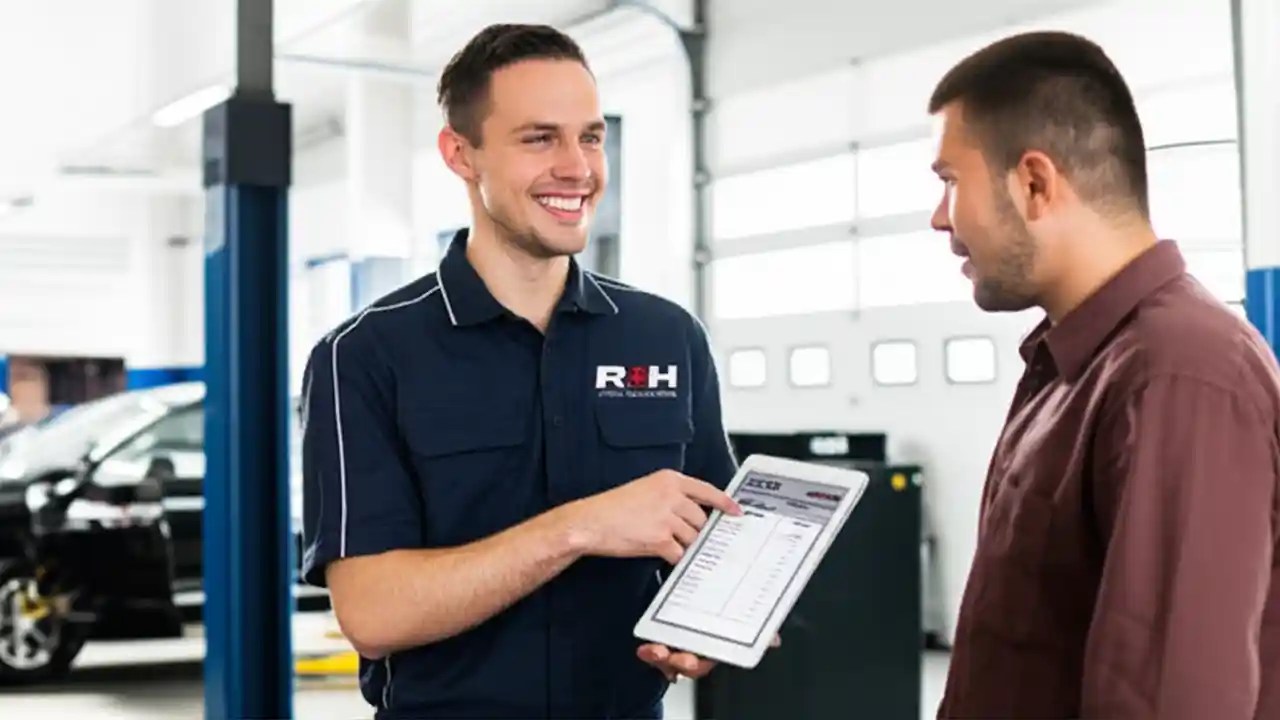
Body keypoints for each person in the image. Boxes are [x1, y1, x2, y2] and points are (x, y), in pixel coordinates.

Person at [298, 23, 748, 719]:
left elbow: (717, 541)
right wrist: (579, 527)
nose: (579, 168)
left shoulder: (667, 337)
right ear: (461, 154)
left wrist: (718, 625)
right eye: (540, 138)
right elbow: (374, 614)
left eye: (591, 137)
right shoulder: (364, 356)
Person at [927, 30, 1280, 719]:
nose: (939, 218)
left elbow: (1170, 698)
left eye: (949, 183)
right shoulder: (1072, 366)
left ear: (1034, 182)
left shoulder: (1179, 374)